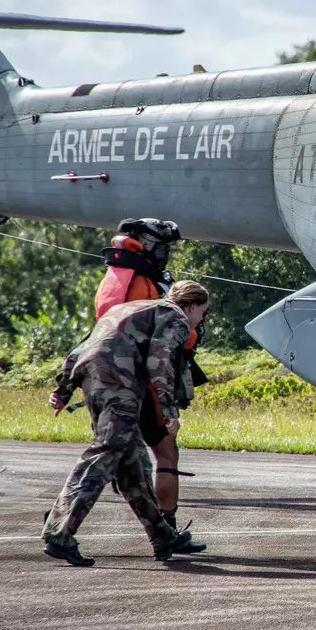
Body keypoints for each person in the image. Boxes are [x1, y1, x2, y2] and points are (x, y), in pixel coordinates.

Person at [43, 281, 210, 567]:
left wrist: (63, 391)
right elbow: (160, 362)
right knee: (104, 455)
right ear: (192, 306)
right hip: (120, 385)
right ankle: (59, 532)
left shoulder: (128, 308)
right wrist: (169, 410)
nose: (199, 321)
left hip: (93, 381)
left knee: (135, 466)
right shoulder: (175, 317)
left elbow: (79, 349)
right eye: (202, 314)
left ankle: (163, 537)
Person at [92, 217, 202, 544]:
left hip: (112, 381)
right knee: (163, 456)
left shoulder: (120, 279)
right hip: (141, 384)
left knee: (109, 457)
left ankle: (65, 514)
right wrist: (190, 335)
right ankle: (167, 529)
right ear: (150, 244)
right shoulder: (141, 283)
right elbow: (156, 344)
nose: (166, 252)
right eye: (163, 245)